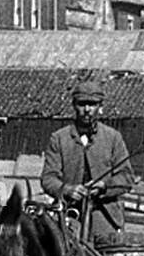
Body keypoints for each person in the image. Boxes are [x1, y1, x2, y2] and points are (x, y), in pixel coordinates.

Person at [40, 80, 136, 247]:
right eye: (82, 104)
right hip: (69, 217)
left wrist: (104, 186)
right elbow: (48, 178)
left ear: (100, 106)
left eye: (92, 105)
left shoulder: (113, 138)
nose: (87, 110)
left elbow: (126, 178)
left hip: (106, 219)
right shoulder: (59, 138)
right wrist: (67, 190)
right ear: (74, 105)